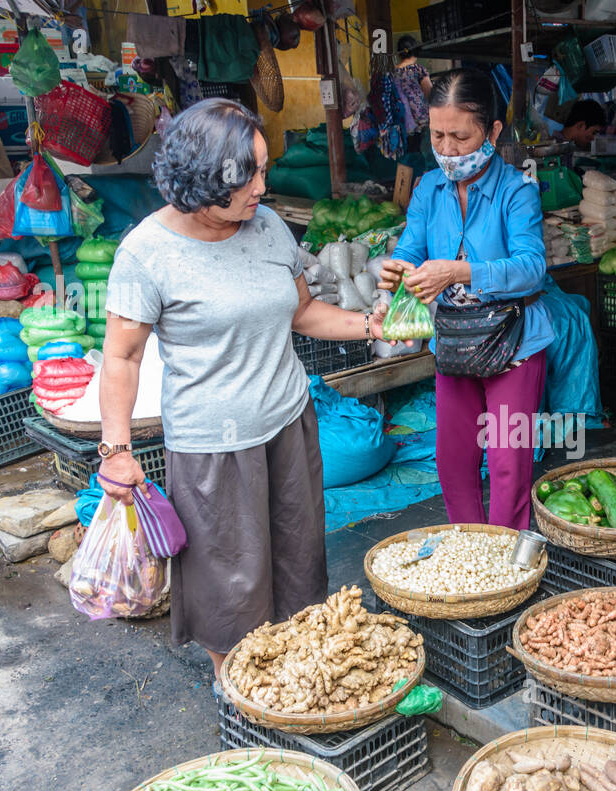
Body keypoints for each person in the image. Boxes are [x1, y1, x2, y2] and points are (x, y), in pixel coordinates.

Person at [97, 98, 392, 679]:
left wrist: (369, 326)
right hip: (212, 442)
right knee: (227, 577)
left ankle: (296, 675)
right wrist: (118, 449)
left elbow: (303, 314)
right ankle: (240, 689)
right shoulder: (147, 253)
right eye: (249, 173)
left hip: (287, 421)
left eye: (263, 168)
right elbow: (122, 356)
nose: (263, 184)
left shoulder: (267, 227)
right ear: (206, 177)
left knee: (298, 559)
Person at [377, 68, 552, 530]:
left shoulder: (517, 191)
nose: (448, 149)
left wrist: (459, 271)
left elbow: (533, 267)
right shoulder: (427, 190)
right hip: (455, 340)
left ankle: (503, 562)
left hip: (514, 343)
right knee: (453, 459)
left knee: (506, 462)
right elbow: (411, 251)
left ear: (492, 131)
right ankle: (468, 551)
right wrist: (395, 276)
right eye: (438, 135)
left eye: (461, 136)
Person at [394, 35, 433, 146]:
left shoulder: (392, 72)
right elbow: (429, 93)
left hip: (401, 119)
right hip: (420, 120)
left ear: (399, 53)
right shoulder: (418, 69)